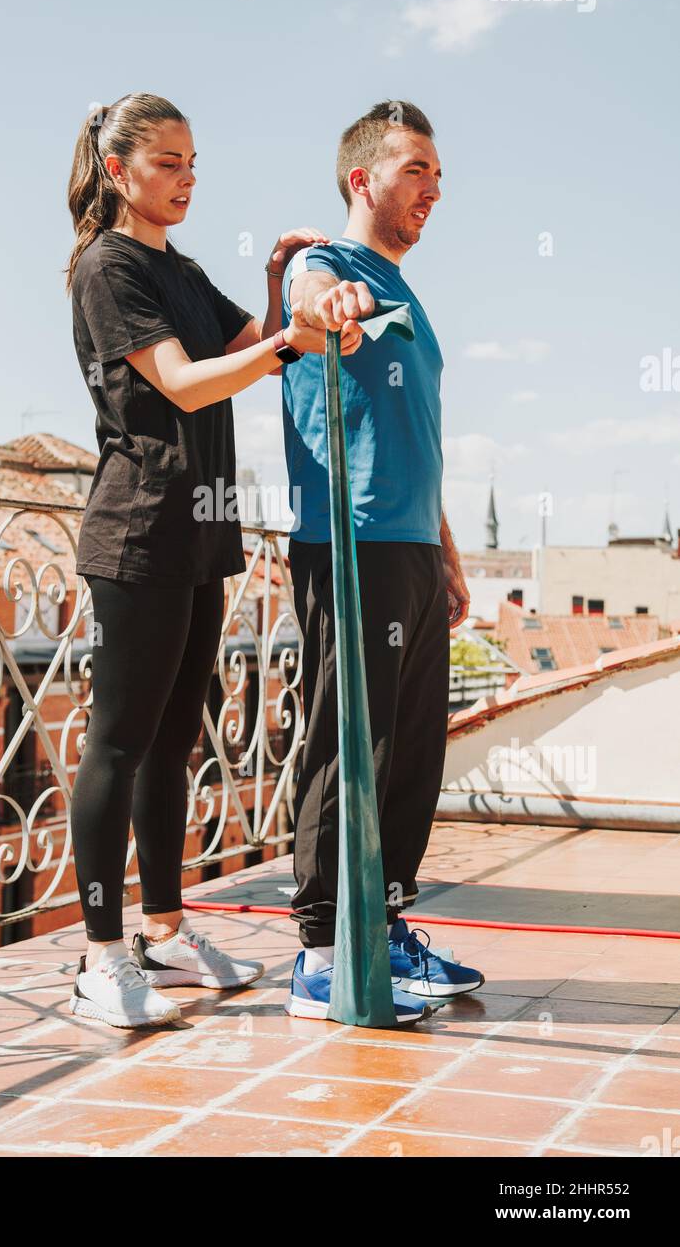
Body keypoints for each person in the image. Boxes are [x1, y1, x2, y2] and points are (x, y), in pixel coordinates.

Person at [64, 92, 360, 1030]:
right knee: (118, 741)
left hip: (200, 532)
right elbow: (188, 384)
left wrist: (280, 282)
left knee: (174, 743)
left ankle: (161, 929)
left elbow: (246, 342)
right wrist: (282, 342)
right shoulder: (106, 267)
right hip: (138, 531)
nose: (187, 179)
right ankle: (101, 956)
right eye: (168, 163)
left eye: (194, 163)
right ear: (118, 170)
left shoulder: (178, 268)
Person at [279, 100, 485, 1023]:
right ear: (363, 179)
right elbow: (308, 309)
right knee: (346, 747)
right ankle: (323, 954)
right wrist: (327, 307)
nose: (432, 188)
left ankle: (389, 930)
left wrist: (443, 549)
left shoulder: (410, 289)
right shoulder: (325, 264)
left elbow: (413, 432)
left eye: (438, 174)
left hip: (407, 548)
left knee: (410, 754)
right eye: (415, 170)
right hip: (349, 544)